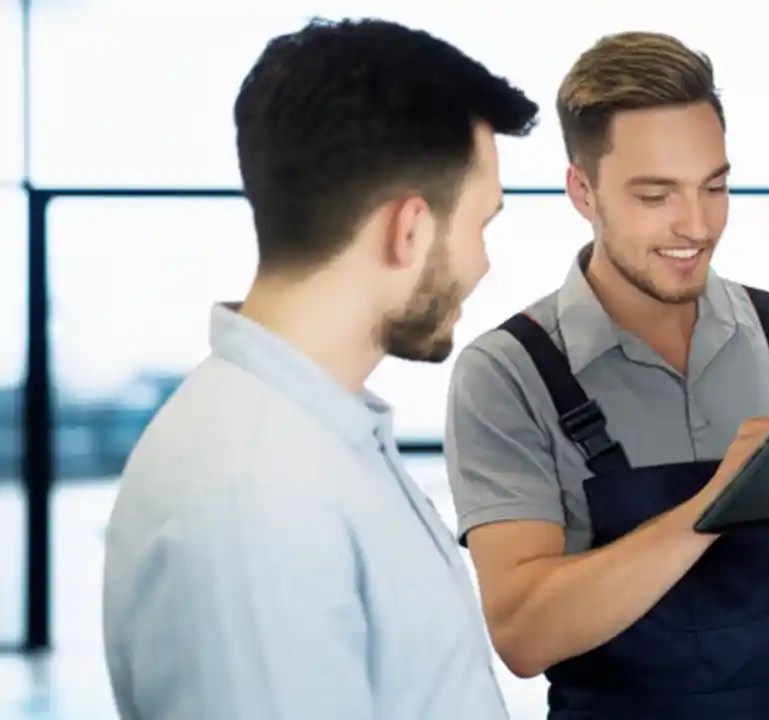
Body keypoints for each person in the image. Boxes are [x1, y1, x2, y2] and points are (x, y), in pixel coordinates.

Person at [445, 30, 769, 719]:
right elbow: (523, 635)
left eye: (714, 186)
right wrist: (712, 507)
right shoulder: (507, 373)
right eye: (655, 196)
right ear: (583, 191)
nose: (696, 224)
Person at [102, 18, 538, 720]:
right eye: (482, 224)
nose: (484, 263)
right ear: (410, 230)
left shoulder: (309, 440)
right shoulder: (252, 497)